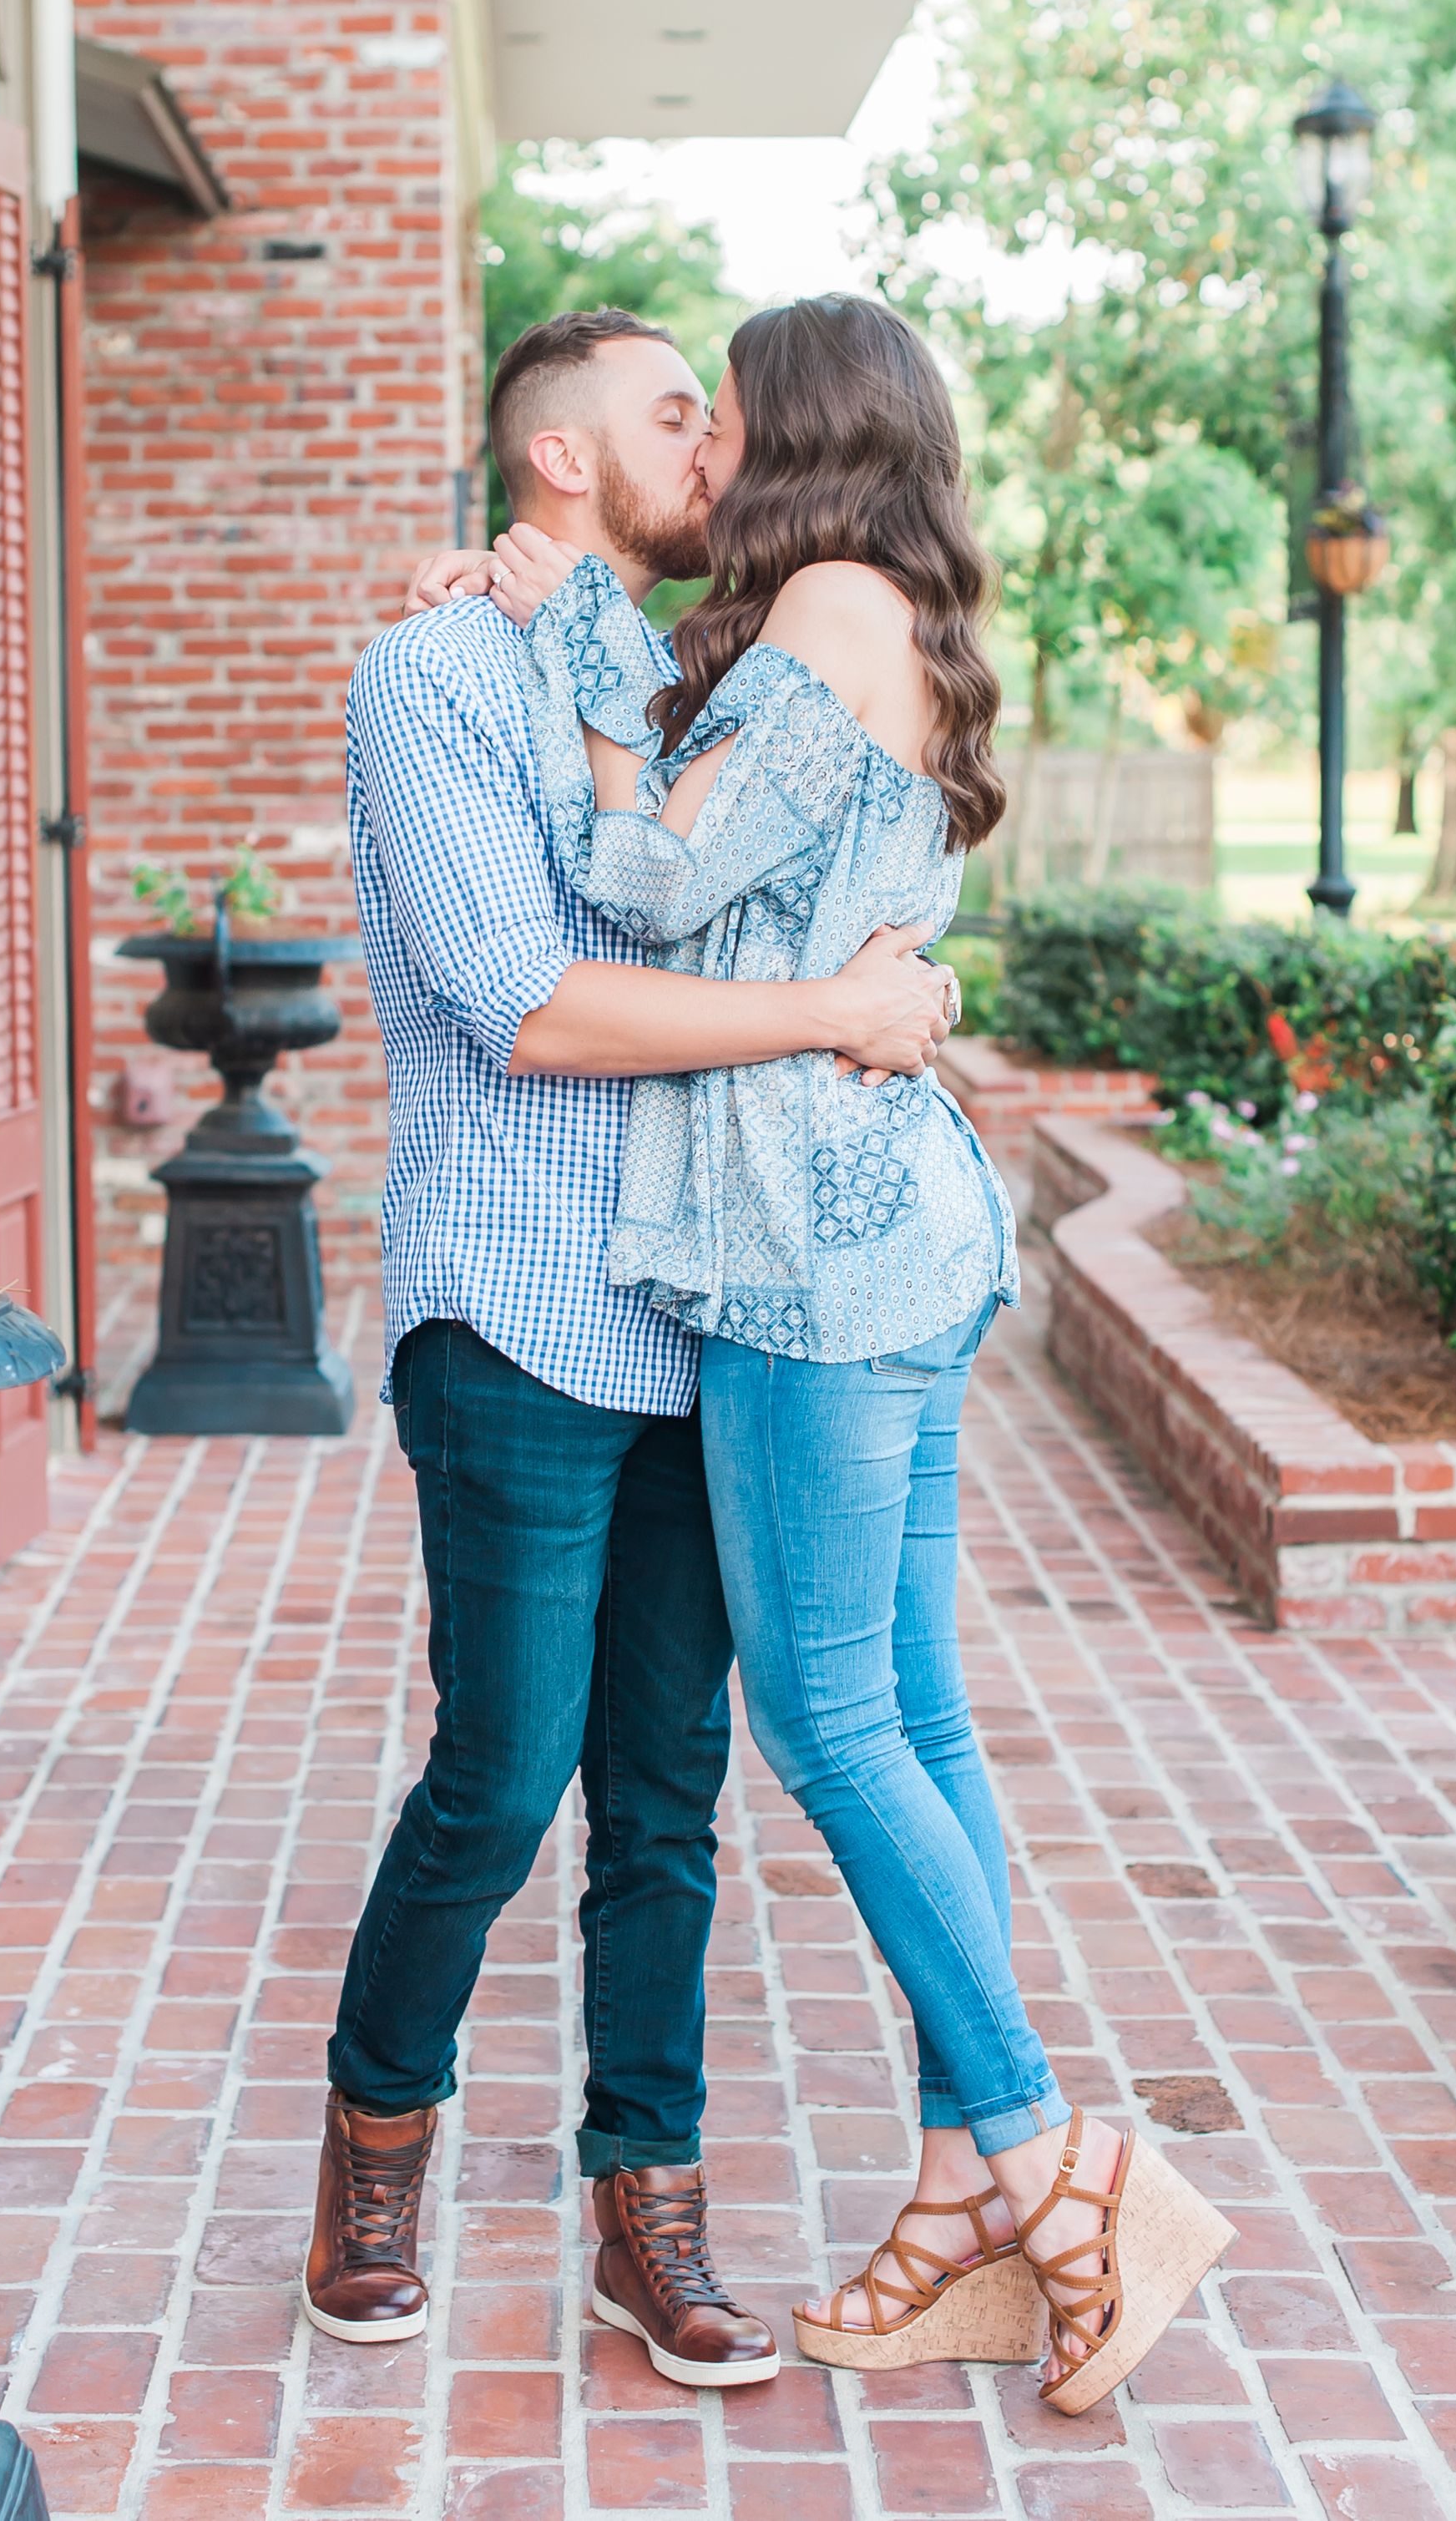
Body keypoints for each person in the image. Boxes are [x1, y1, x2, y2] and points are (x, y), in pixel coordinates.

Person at [478, 295, 1236, 2417]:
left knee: (822, 1722)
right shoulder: (851, 606)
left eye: (717, 408)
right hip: (867, 1223)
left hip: (810, 1248)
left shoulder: (819, 603)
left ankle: (1050, 2160)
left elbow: (640, 875)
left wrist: (560, 641)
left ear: (803, 425)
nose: (697, 445)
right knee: (908, 1711)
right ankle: (951, 2215)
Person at [311, 306, 956, 2392]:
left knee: (667, 1799)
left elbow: (791, 872)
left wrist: (877, 981)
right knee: (501, 1774)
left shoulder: (693, 675)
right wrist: (839, 1014)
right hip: (512, 1302)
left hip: (713, 1313)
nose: (719, 444)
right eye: (681, 415)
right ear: (564, 460)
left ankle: (646, 2206)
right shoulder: (429, 674)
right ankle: (374, 2141)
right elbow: (534, 1004)